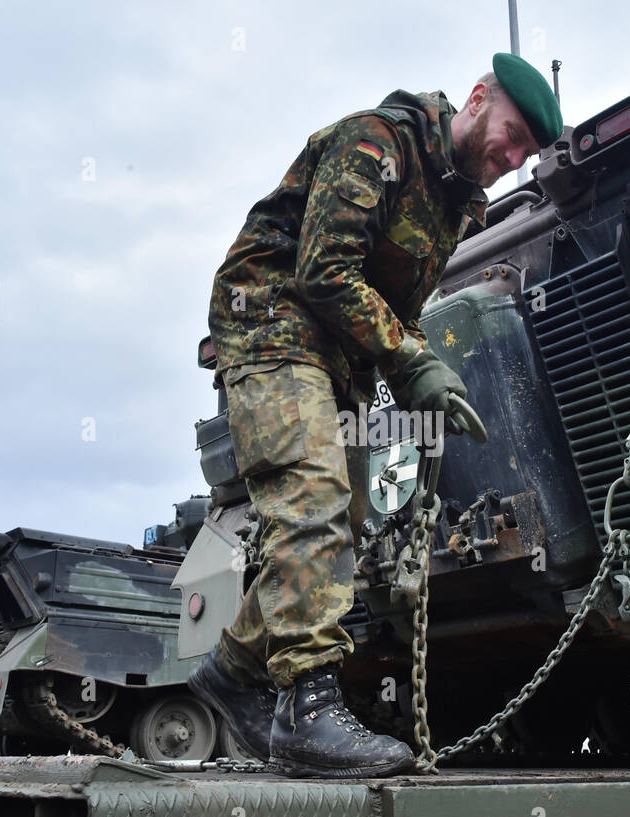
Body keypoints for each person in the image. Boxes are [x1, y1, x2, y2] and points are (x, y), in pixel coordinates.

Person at [189, 53, 562, 778]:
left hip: (340, 357)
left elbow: (400, 308)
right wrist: (408, 360)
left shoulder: (464, 205)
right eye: (511, 135)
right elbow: (324, 270)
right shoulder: (379, 144)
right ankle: (307, 705)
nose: (511, 158)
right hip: (271, 324)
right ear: (479, 99)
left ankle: (234, 670)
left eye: (524, 154)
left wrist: (426, 368)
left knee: (352, 517)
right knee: (313, 498)